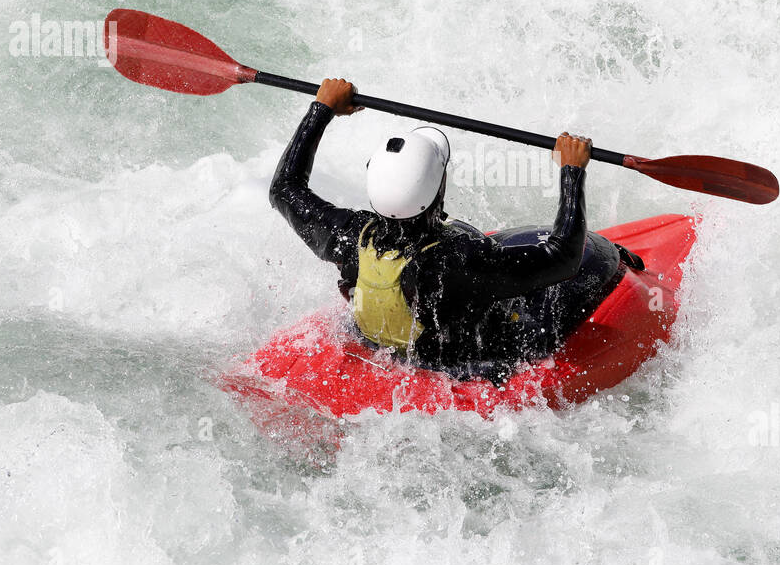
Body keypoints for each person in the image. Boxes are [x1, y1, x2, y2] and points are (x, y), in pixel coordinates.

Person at [269, 78, 641, 377]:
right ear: (437, 190)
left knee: (467, 237)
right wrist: (572, 171)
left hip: (393, 346)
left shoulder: (347, 235)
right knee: (599, 253)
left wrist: (322, 108)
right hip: (466, 361)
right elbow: (564, 257)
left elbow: (285, 188)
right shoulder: (459, 261)